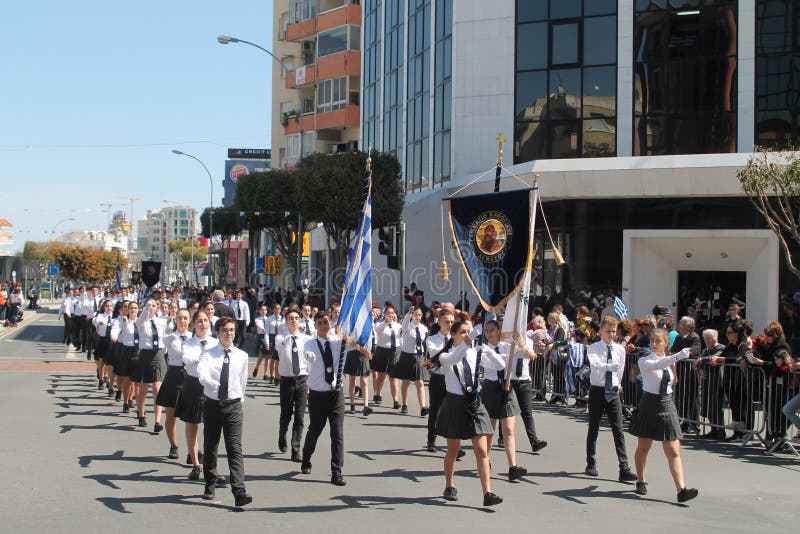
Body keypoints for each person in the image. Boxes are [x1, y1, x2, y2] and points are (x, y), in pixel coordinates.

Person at [435, 320, 505, 506]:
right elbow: (454, 358)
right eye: (463, 332)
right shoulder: (446, 355)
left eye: (469, 332)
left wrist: (488, 350)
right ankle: (449, 485)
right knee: (453, 450)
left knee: (482, 450)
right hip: (455, 403)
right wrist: (470, 340)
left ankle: (487, 493)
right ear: (453, 335)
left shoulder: (476, 353)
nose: (467, 335)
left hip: (474, 403)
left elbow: (500, 365)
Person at [629, 329, 698, 503]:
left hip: (666, 403)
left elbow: (673, 380)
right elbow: (658, 365)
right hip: (649, 403)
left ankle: (681, 490)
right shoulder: (645, 360)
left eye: (658, 341)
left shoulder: (669, 361)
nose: (654, 344)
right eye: (652, 340)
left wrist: (675, 359)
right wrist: (678, 356)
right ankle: (641, 480)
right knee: (644, 447)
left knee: (673, 450)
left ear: (665, 343)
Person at [196, 317, 252, 506]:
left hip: (233, 406)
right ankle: (210, 483)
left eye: (231, 330)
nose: (229, 334)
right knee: (211, 445)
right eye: (225, 330)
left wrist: (239, 398)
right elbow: (202, 372)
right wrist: (209, 382)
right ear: (218, 333)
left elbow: (242, 381)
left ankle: (239, 491)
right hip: (213, 404)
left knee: (234, 447)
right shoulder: (208, 354)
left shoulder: (242, 356)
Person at [584, 316, 637, 483]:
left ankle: (624, 467)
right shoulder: (594, 347)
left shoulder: (620, 350)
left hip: (612, 391)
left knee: (618, 430)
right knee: (594, 427)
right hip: (598, 390)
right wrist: (608, 367)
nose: (611, 334)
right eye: (608, 331)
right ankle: (591, 462)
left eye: (614, 331)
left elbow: (620, 370)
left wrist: (617, 384)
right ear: (601, 331)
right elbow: (595, 364)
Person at [301, 311, 347, 486]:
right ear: (315, 325)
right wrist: (310, 357)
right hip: (318, 395)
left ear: (330, 323)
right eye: (319, 322)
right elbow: (307, 354)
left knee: (337, 433)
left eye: (325, 322)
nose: (323, 325)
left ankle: (336, 472)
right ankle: (306, 457)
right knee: (315, 429)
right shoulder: (310, 344)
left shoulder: (338, 341)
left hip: (336, 394)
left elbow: (356, 343)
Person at [479, 320, 526, 481]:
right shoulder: (483, 349)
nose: (489, 333)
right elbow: (496, 365)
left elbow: (523, 353)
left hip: (507, 387)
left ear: (499, 330)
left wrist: (520, 342)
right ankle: (485, 460)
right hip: (491, 388)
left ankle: (513, 466)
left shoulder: (507, 346)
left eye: (492, 330)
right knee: (489, 430)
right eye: (486, 331)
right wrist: (501, 356)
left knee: (508, 429)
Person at [177, 310, 220, 483]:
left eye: (205, 321)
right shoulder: (188, 343)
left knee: (212, 429)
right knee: (192, 425)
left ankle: (212, 468)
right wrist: (203, 359)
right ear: (193, 325)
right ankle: (195, 465)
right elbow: (187, 359)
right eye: (199, 321)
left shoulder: (215, 342)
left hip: (211, 386)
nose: (203, 324)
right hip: (193, 385)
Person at [275, 307, 312, 461]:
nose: (294, 321)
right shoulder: (281, 338)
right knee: (286, 414)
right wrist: (288, 337)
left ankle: (296, 448)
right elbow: (280, 347)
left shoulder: (306, 339)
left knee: (300, 416)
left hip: (302, 380)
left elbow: (310, 358)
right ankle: (282, 435)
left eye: (296, 318)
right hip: (287, 380)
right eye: (291, 318)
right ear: (286, 321)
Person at [157, 308, 192, 460]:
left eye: (185, 318)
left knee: (191, 417)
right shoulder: (170, 338)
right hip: (174, 375)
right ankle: (174, 445)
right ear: (175, 320)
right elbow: (161, 339)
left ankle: (192, 450)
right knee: (171, 415)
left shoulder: (193, 338)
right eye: (180, 318)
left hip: (190, 376)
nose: (182, 321)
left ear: (189, 320)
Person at [423, 309, 455, 452]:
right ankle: (431, 440)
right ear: (439, 322)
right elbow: (437, 356)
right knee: (435, 411)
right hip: (438, 378)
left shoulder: (456, 339)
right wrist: (450, 345)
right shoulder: (432, 339)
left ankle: (453, 445)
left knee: (452, 412)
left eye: (452, 322)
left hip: (452, 378)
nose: (450, 324)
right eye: (447, 322)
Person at [135, 300, 168, 430]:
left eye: (154, 306)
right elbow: (142, 317)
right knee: (143, 388)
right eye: (149, 306)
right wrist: (147, 306)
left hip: (158, 354)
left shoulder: (161, 322)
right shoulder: (141, 322)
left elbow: (165, 337)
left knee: (157, 388)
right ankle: (141, 414)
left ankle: (157, 421)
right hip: (145, 354)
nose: (151, 308)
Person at [390, 306, 429, 415]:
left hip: (418, 356)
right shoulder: (407, 326)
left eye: (419, 315)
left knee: (419, 382)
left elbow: (424, 343)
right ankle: (404, 404)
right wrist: (408, 313)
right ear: (412, 315)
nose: (418, 317)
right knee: (406, 381)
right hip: (406, 355)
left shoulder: (423, 328)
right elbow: (405, 324)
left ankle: (423, 407)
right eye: (415, 314)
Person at [671, 317, 702, 433]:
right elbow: (672, 350)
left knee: (691, 398)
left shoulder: (694, 337)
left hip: (690, 372)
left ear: (688, 326)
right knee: (681, 397)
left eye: (681, 323)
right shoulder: (679, 337)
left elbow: (692, 353)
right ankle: (683, 421)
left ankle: (694, 423)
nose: (679, 325)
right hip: (679, 371)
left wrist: (677, 355)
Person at [693, 329, 726, 440]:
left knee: (716, 405)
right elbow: (701, 362)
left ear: (715, 338)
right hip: (707, 380)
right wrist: (701, 369)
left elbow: (714, 359)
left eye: (709, 338)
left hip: (717, 379)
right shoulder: (705, 350)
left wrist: (701, 360)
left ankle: (720, 430)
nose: (707, 341)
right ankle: (713, 429)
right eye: (705, 339)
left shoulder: (721, 348)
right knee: (708, 405)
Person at [110, 301, 140, 415]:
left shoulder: (141, 322)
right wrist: (113, 336)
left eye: (135, 308)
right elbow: (117, 329)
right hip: (126, 350)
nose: (133, 310)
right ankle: (125, 401)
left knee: (136, 381)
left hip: (138, 352)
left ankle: (133, 401)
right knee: (126, 378)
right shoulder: (124, 321)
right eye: (131, 308)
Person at [372, 304, 402, 408]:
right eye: (388, 313)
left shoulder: (398, 326)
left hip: (395, 352)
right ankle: (377, 394)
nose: (390, 315)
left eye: (392, 313)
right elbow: (378, 330)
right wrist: (386, 322)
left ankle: (396, 400)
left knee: (394, 378)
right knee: (381, 376)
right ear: (384, 314)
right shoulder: (379, 324)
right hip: (383, 351)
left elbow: (401, 338)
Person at [91, 300, 115, 391]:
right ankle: (101, 380)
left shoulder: (114, 317)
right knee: (101, 362)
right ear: (104, 307)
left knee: (109, 363)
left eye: (110, 306)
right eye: (107, 306)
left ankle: (108, 379)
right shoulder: (101, 316)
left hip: (111, 342)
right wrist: (99, 322)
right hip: (102, 340)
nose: (109, 307)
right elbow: (96, 321)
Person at [264, 303, 285, 384]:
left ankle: (277, 376)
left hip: (279, 338)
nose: (277, 310)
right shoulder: (269, 319)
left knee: (278, 359)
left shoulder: (283, 319)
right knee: (272, 359)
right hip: (272, 338)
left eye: (279, 308)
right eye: (276, 308)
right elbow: (266, 332)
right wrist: (267, 343)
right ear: (273, 309)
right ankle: (271, 375)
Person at [251, 305, 270, 378]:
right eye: (262, 309)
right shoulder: (257, 319)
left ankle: (265, 374)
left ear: (267, 311)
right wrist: (264, 329)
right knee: (261, 355)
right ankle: (257, 367)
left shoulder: (268, 319)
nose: (263, 311)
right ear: (259, 311)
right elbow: (259, 326)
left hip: (268, 337)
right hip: (261, 337)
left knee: (267, 356)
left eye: (265, 310)